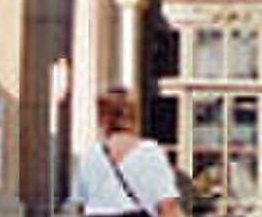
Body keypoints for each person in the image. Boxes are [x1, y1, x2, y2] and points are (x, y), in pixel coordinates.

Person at [70, 87, 181, 217]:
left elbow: (80, 207)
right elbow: (167, 207)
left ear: (102, 119)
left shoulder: (89, 157)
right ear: (133, 116)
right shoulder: (150, 153)